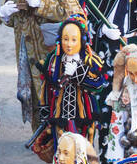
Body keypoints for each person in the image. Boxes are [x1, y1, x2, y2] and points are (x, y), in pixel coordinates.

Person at [0, 0, 81, 131]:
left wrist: (41, 4)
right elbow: (14, 21)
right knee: (32, 92)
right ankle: (39, 134)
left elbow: (73, 13)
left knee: (53, 90)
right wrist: (5, 15)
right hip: (25, 50)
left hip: (50, 49)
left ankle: (59, 133)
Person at [40, 17, 107, 153]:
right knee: (61, 152)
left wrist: (76, 74)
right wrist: (45, 114)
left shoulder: (90, 59)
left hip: (84, 116)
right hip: (59, 115)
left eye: (74, 40)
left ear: (81, 40)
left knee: (83, 153)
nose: (69, 44)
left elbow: (98, 86)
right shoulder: (54, 58)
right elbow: (46, 87)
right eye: (65, 39)